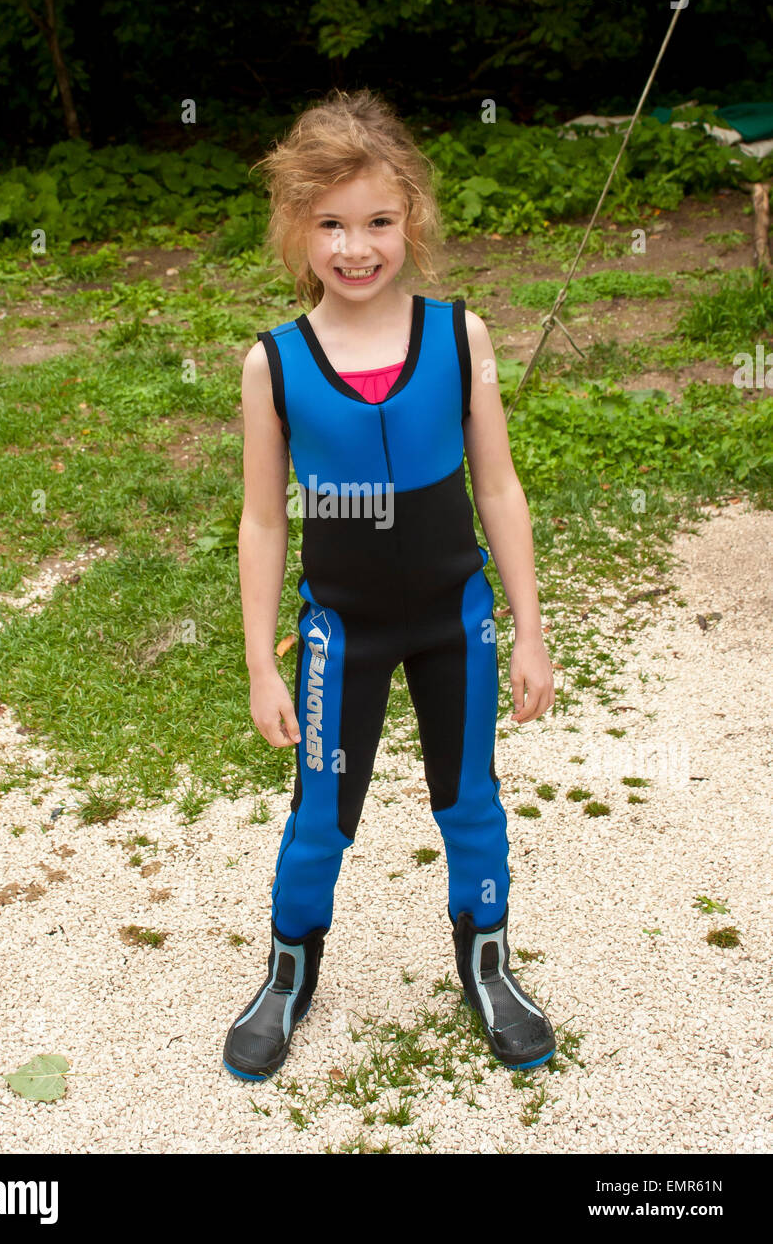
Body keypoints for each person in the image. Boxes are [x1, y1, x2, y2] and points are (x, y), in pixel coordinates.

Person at [224, 88, 557, 1082]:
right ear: (294, 228)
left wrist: (530, 629)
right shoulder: (273, 365)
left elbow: (496, 485)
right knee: (319, 815)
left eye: (376, 220)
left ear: (411, 217)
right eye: (329, 223)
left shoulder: (462, 340)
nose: (355, 246)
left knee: (471, 803)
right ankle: (288, 971)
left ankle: (487, 963)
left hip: (454, 621)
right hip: (340, 635)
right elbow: (261, 518)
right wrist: (256, 661)